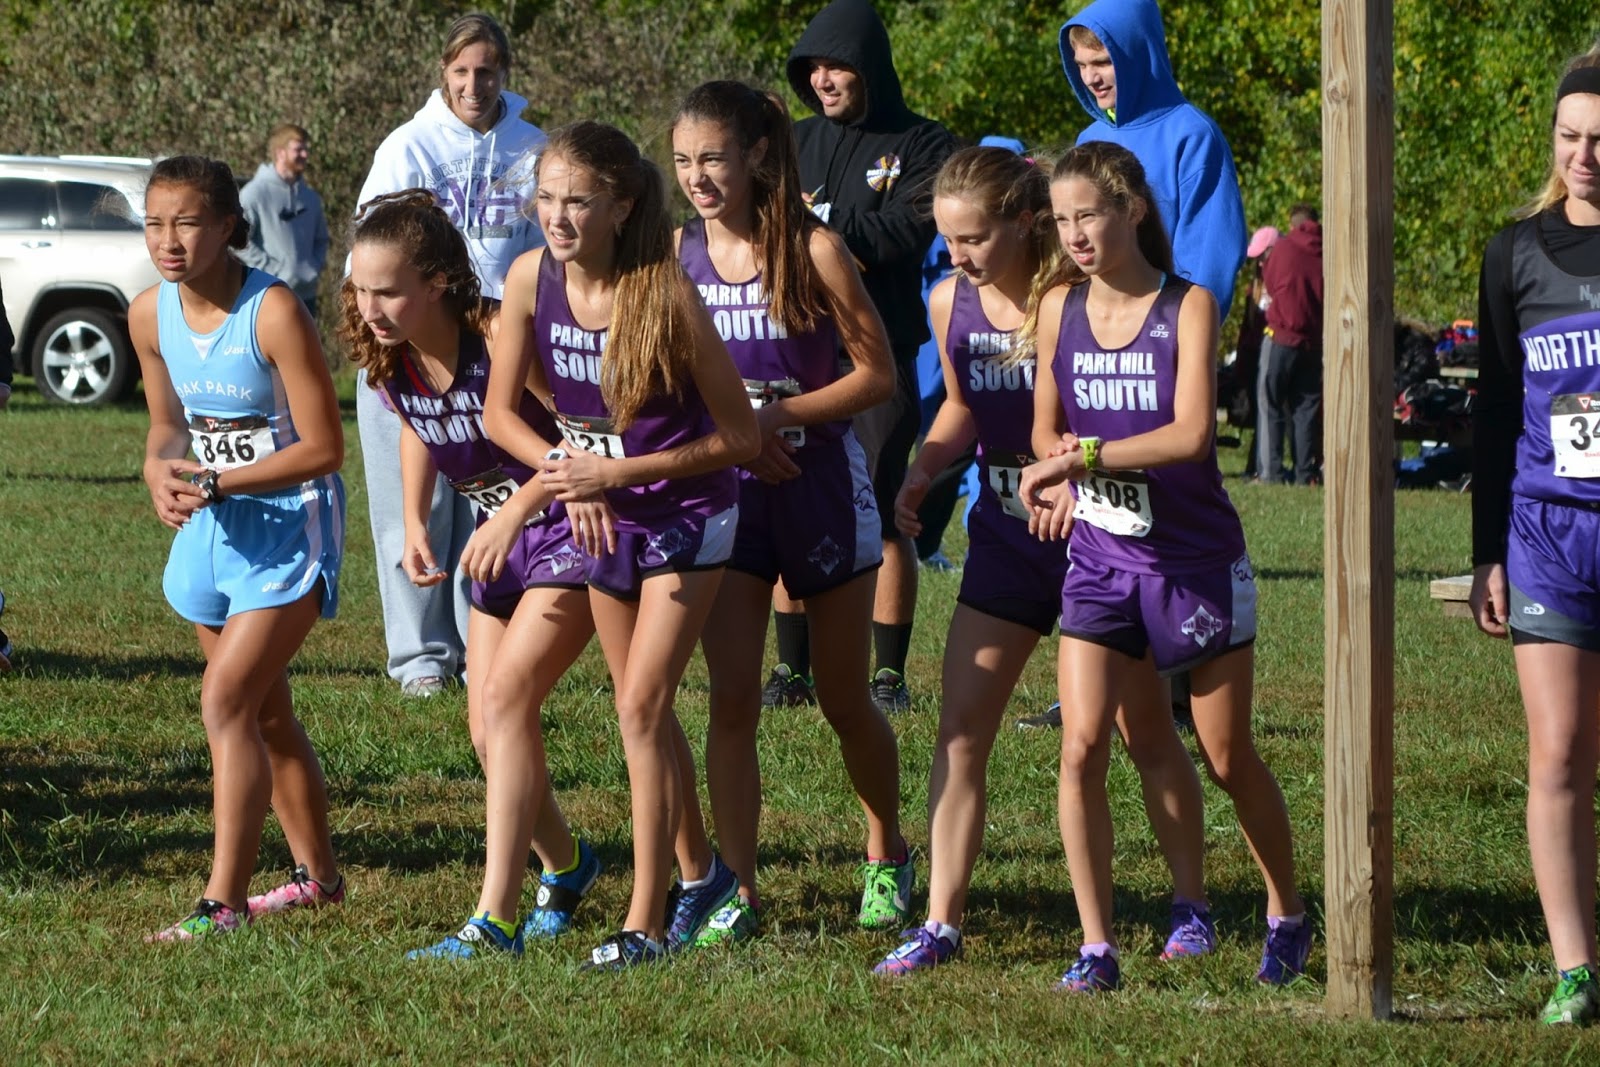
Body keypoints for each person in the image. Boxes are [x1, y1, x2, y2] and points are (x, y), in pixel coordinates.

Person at [1017, 141, 1307, 992]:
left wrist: (1087, 458)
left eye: (1089, 215)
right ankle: (1098, 944)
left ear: (1132, 209)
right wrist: (1055, 463)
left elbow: (1189, 435)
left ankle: (1287, 910)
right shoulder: (1058, 306)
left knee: (1225, 754)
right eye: (1062, 219)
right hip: (1100, 560)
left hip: (1193, 561)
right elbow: (1044, 424)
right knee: (1080, 743)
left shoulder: (1188, 305)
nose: (1073, 234)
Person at [484, 120, 761, 969]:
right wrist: (571, 472)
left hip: (687, 513)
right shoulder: (530, 277)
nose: (558, 217)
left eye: (579, 202)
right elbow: (501, 416)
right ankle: (706, 874)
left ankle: (645, 919)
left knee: (642, 704)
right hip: (602, 511)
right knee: (639, 709)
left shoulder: (664, 293)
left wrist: (622, 470)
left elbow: (742, 437)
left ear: (623, 204)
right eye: (547, 199)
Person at [668, 80, 911, 945]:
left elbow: (879, 376)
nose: (698, 178)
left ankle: (886, 851)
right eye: (685, 161)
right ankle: (738, 889)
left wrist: (778, 418)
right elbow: (669, 379)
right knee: (733, 699)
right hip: (729, 501)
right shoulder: (674, 254)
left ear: (758, 157)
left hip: (818, 493)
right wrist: (727, 437)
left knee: (846, 700)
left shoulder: (815, 250)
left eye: (715, 160)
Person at [340, 191, 601, 958]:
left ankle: (495, 919)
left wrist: (516, 510)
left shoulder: (497, 331)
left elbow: (586, 432)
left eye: (388, 290)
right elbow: (422, 426)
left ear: (439, 283)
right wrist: (415, 520)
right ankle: (571, 864)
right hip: (500, 535)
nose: (372, 306)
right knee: (488, 732)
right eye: (360, 287)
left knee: (506, 697)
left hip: (570, 522)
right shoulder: (386, 350)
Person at [129, 155, 346, 940]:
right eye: (154, 222)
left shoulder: (275, 311)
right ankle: (319, 878)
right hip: (210, 529)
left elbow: (326, 447)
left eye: (187, 221)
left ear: (227, 224)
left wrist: (226, 479)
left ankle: (220, 902)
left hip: (288, 524)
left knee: (225, 701)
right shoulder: (148, 313)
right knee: (269, 714)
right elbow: (165, 425)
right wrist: (159, 470)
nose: (169, 239)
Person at [352, 13, 547, 698]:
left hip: (498, 345)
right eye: (461, 71)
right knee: (412, 512)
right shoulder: (407, 147)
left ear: (505, 73)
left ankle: (478, 646)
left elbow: (546, 245)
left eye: (486, 70)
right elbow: (369, 252)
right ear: (444, 74)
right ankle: (420, 659)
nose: (474, 83)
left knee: (490, 507)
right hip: (413, 343)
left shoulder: (532, 147)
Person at [775, 0, 956, 715]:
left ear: (870, 67)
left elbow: (903, 234)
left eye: (838, 65)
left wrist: (815, 220)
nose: (823, 79)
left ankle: (887, 673)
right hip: (793, 349)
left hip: (881, 353)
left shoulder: (925, 143)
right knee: (787, 502)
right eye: (812, 66)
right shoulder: (788, 140)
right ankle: (792, 671)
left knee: (878, 513)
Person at [1469, 47, 1600, 1026]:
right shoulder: (1513, 254)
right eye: (1569, 137)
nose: (1585, 154)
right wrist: (1487, 551)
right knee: (1556, 752)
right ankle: (1573, 966)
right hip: (1545, 528)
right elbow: (1497, 406)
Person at [1060, 0, 1246, 317]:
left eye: (1103, 62)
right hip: (1098, 333)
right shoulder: (1088, 139)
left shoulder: (1192, 135)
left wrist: (1177, 336)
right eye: (1081, 65)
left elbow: (1208, 260)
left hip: (1165, 336)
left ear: (1137, 55)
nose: (1090, 78)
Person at [1257, 204, 1324, 485]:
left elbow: (1269, 284)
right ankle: (1304, 473)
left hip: (1281, 336)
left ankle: (1271, 472)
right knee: (1305, 409)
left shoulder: (1285, 248)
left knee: (1269, 403)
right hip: (1312, 342)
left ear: (1294, 223)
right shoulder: (1328, 251)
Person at [237, 123, 330, 319]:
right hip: (268, 294)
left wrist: (312, 267)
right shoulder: (254, 193)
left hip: (307, 296)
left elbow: (321, 239)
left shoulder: (310, 198)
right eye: (298, 149)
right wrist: (272, 270)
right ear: (280, 153)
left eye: (306, 149)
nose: (305, 155)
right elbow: (238, 240)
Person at [1235, 224, 1278, 481]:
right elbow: (1246, 326)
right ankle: (1254, 463)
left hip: (1273, 351)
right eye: (1258, 259)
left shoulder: (1279, 285)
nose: (1260, 263)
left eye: (1264, 257)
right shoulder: (1255, 288)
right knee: (1257, 410)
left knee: (1269, 410)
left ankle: (1265, 466)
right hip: (1253, 354)